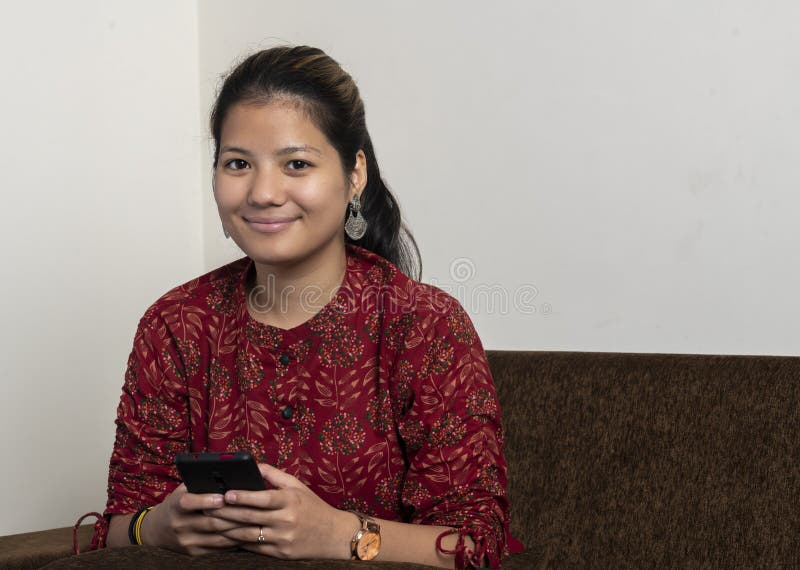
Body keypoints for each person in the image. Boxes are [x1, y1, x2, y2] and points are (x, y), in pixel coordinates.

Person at [90, 45, 521, 569]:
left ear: (354, 173)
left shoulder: (424, 326)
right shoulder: (177, 323)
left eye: (297, 164)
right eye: (238, 164)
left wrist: (340, 534)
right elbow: (117, 528)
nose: (263, 192)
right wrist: (156, 526)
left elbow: (477, 547)